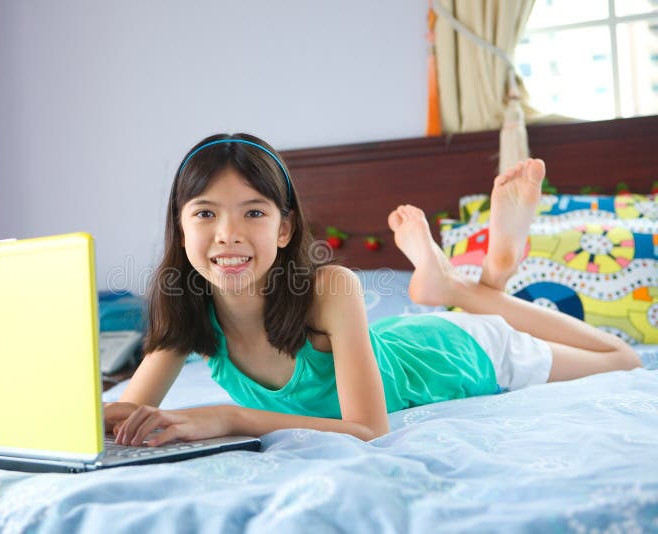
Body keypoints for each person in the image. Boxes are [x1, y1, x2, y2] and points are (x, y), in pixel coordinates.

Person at [104, 133, 641, 447]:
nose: (228, 234)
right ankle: (478, 277)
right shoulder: (188, 310)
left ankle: (465, 284)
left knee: (621, 358)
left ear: (284, 229)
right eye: (204, 213)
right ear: (180, 227)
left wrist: (230, 417)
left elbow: (367, 428)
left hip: (459, 357)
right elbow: (128, 411)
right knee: (470, 315)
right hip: (401, 342)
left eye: (253, 212)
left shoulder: (330, 287)